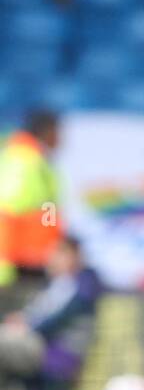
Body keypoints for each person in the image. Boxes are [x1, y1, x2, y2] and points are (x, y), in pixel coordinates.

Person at [0, 237, 101, 390]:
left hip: (50, 351)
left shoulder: (81, 285)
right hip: (32, 344)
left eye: (58, 254)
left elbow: (52, 322)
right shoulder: (54, 284)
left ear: (73, 257)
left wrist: (25, 325)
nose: (51, 258)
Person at [0, 109, 62, 297]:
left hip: (24, 259)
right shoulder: (26, 160)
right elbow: (12, 209)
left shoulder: (21, 155)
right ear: (46, 130)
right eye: (57, 131)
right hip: (19, 261)